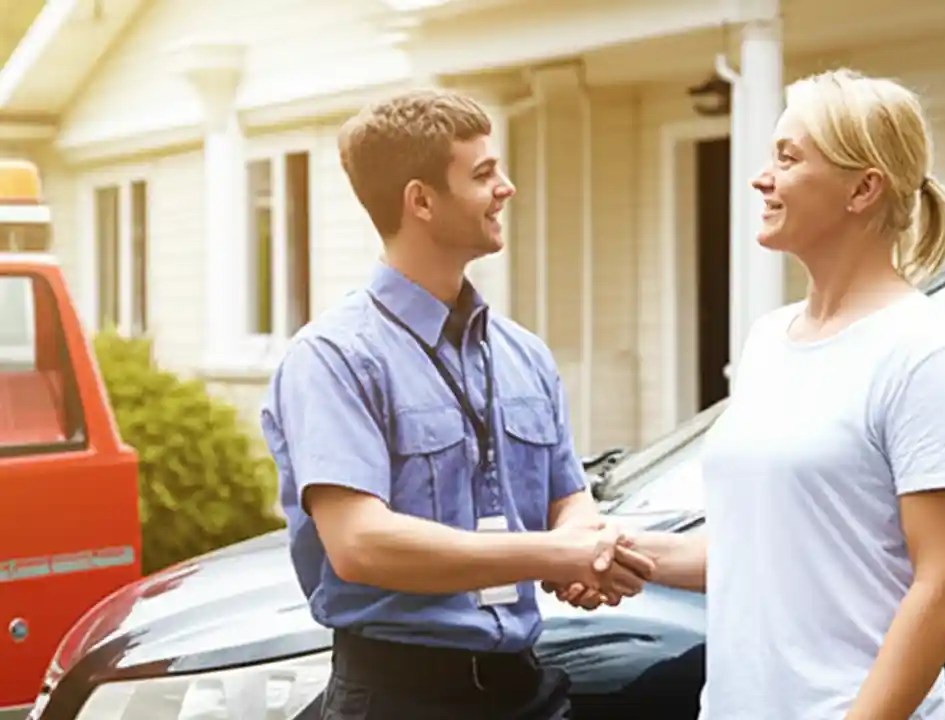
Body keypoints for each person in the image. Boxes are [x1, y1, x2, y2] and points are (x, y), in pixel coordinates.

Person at [558, 68, 945, 719]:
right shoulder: (769, 340)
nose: (761, 178)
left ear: (863, 188)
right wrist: (603, 550)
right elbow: (754, 548)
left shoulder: (924, 355)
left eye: (788, 159)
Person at [260, 88, 655, 720]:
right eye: (483, 173)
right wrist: (555, 554)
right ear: (420, 200)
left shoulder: (524, 354)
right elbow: (360, 544)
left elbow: (567, 495)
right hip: (397, 699)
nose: (508, 188)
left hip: (524, 691)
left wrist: (585, 546)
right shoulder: (333, 357)